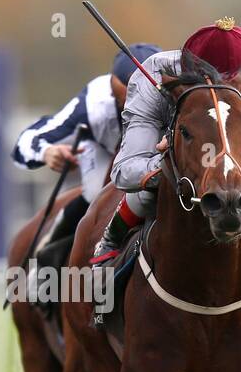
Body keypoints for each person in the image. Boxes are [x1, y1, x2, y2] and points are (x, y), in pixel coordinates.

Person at [91, 18, 241, 264]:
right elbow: (125, 172)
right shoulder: (153, 74)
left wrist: (234, 164)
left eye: (233, 86)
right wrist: (177, 155)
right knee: (142, 196)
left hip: (236, 160)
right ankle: (110, 243)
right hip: (177, 159)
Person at [11, 42, 160, 292]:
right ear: (113, 88)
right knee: (95, 196)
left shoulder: (173, 94)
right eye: (125, 103)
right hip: (106, 150)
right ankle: (45, 264)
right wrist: (48, 152)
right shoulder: (94, 103)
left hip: (153, 155)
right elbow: (25, 142)